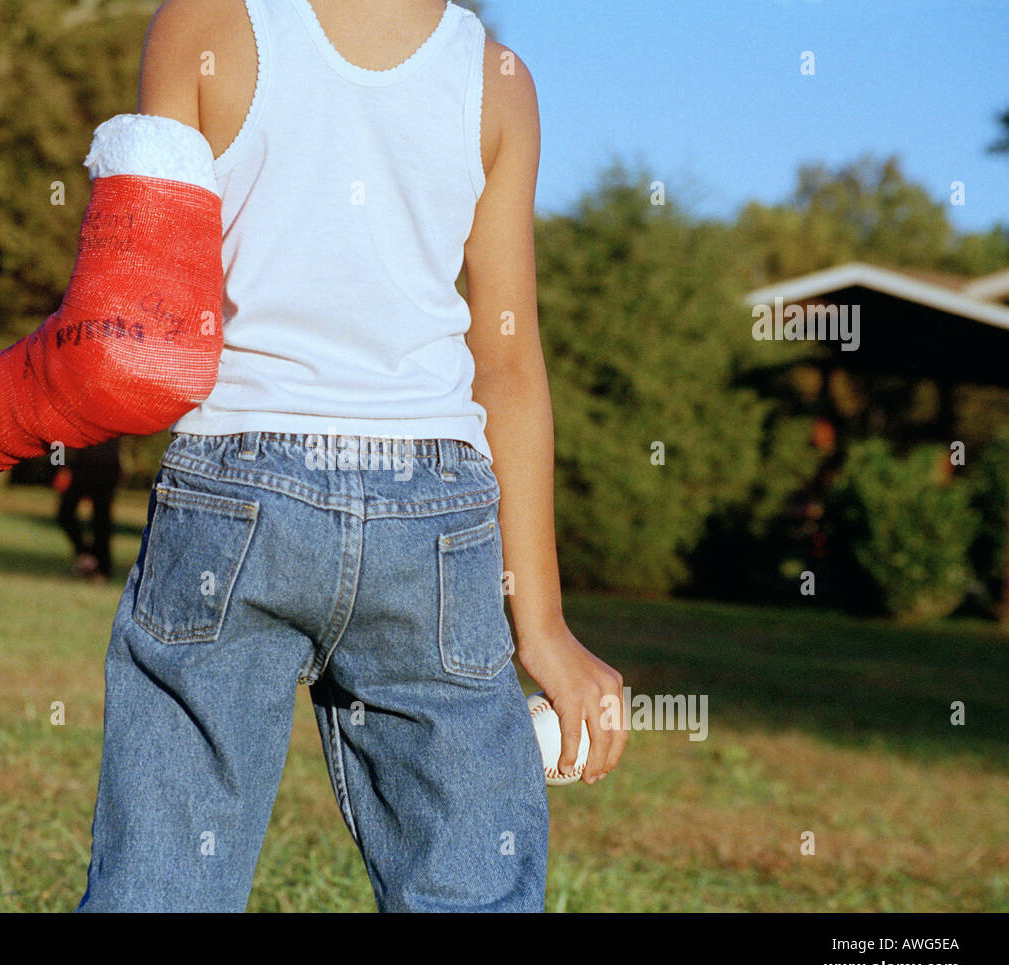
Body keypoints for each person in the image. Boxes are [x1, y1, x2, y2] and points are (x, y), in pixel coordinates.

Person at [76, 0, 626, 913]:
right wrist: (544, 628)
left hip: (234, 490)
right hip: (435, 516)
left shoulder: (202, 26)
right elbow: (510, 363)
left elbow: (141, 302)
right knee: (470, 884)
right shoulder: (499, 82)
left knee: (164, 879)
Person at [55, 439, 123, 581]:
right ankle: (88, 557)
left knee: (101, 519)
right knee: (64, 513)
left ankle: (102, 570)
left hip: (106, 463)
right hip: (80, 464)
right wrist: (60, 465)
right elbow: (59, 438)